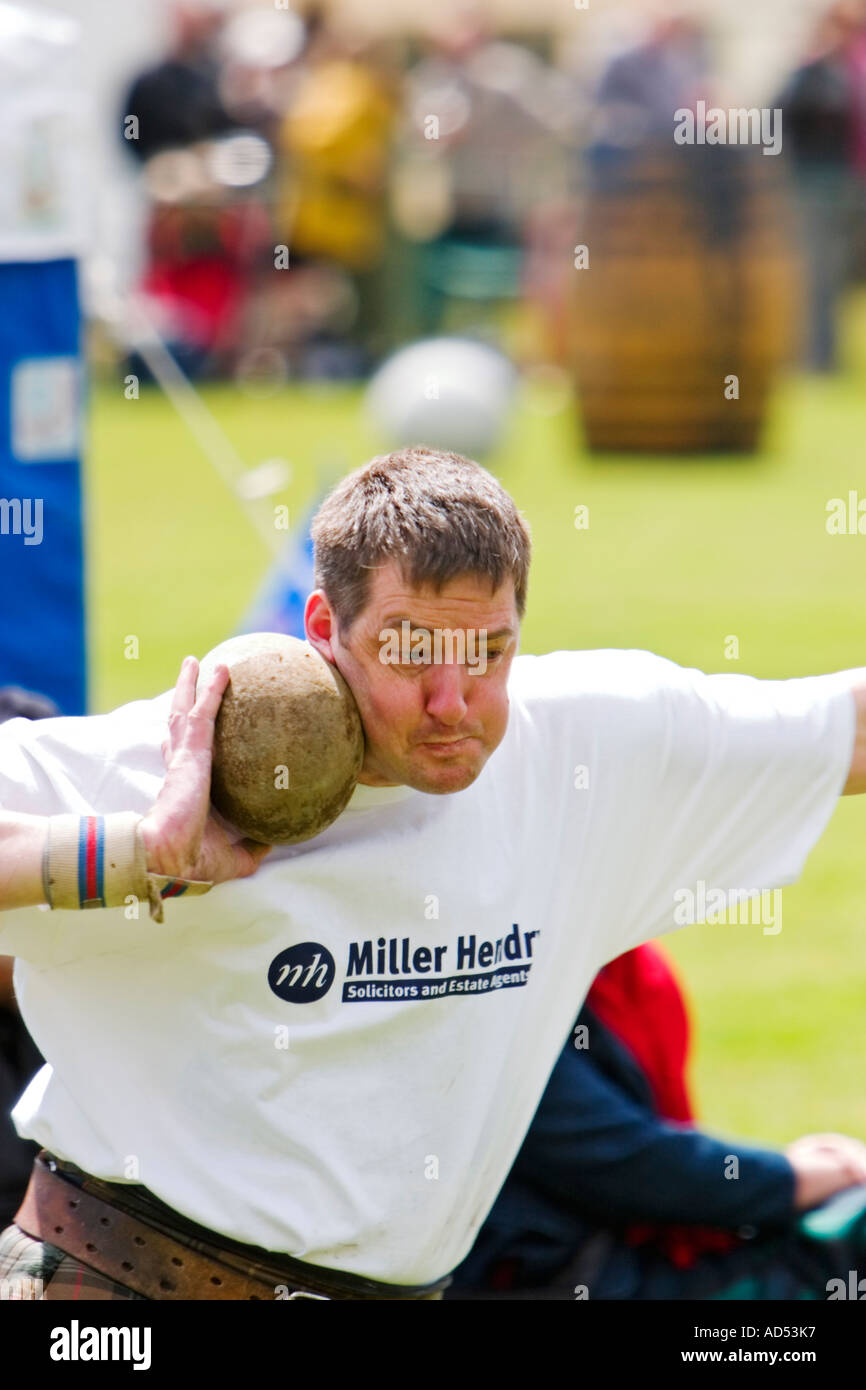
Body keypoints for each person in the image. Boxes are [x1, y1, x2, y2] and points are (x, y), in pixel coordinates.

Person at [0, 443, 864, 1301]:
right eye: (409, 651)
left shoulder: (588, 754)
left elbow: (845, 730)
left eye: (487, 651)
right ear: (324, 629)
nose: (452, 701)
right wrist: (135, 852)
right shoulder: (187, 759)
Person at [448, 943, 866, 1299]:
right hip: (559, 1273)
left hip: (614, 1245)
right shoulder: (488, 984)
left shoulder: (608, 963)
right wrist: (795, 1178)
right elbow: (624, 1162)